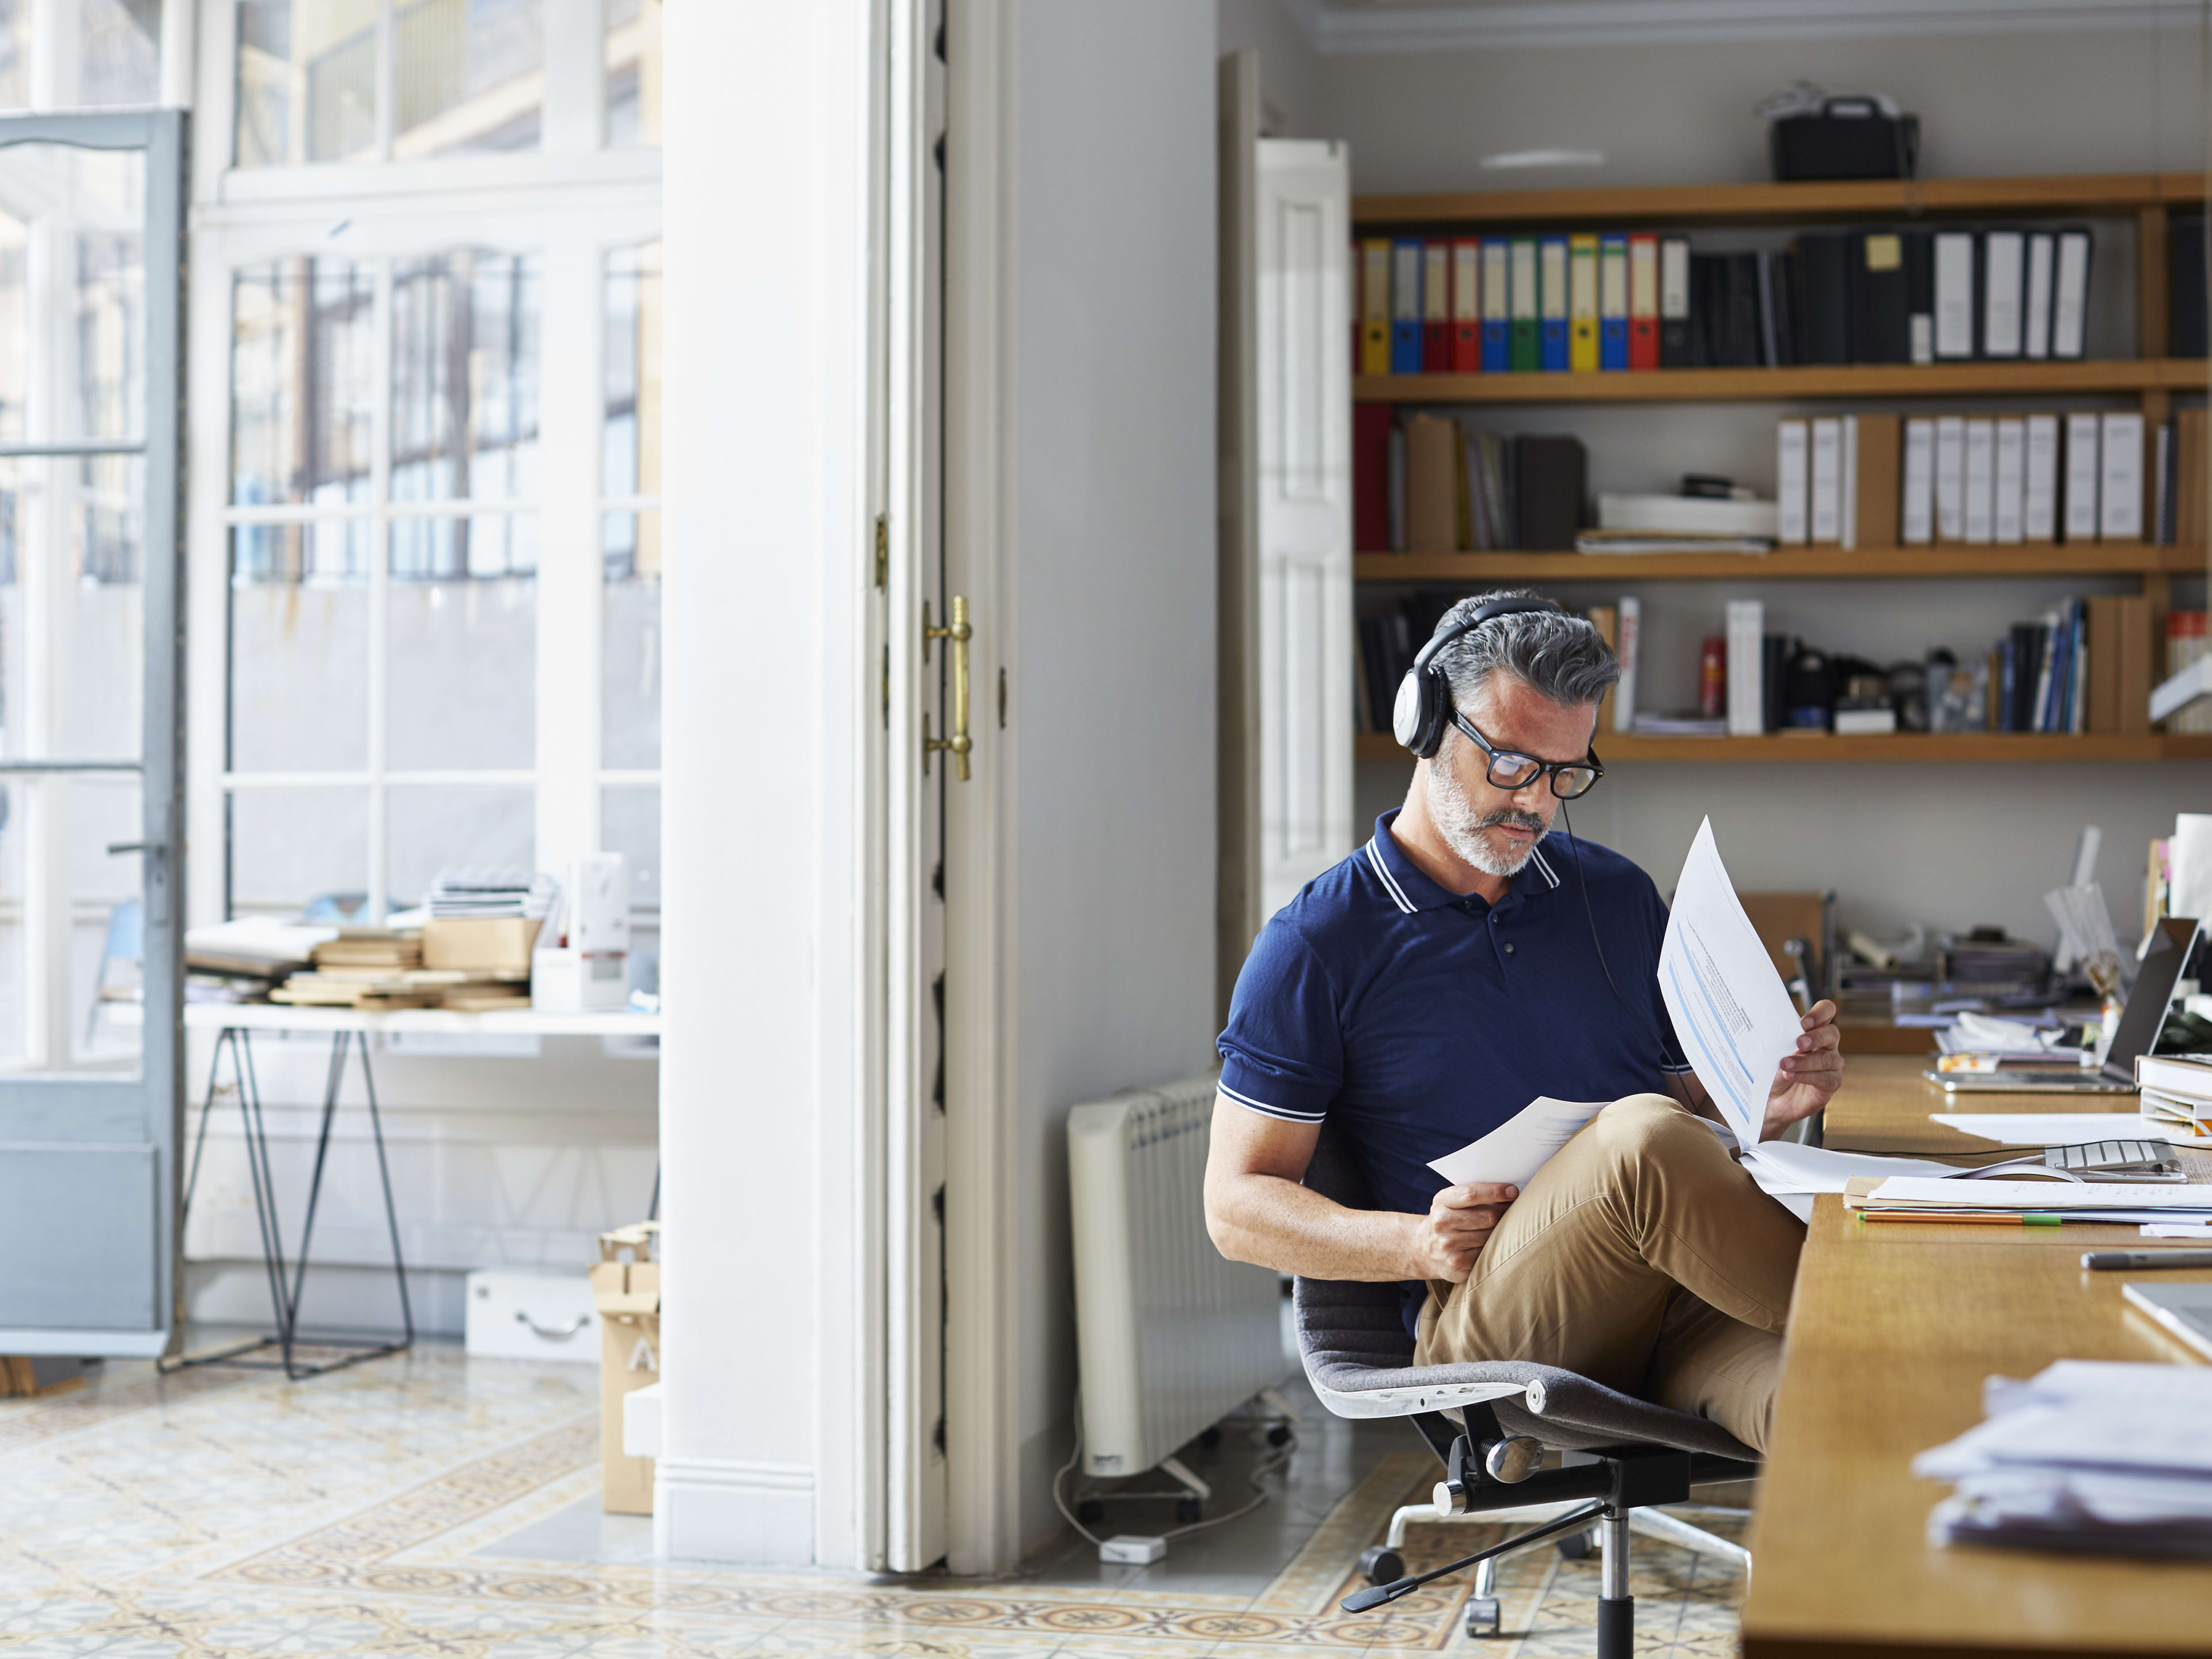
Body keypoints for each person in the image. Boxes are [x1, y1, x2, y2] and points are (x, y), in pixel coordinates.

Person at [1202, 592, 1842, 1453]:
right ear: (1426, 722)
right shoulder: (1316, 945)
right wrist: (1416, 1244)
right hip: (1500, 1333)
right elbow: (1234, 1208)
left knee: (1852, 1407)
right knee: (1642, 1139)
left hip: (1677, 1307)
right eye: (1510, 763)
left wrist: (1766, 1097)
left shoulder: (1614, 898)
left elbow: (1698, 1113)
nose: (1536, 803)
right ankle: (1900, 1311)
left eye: (1564, 773)